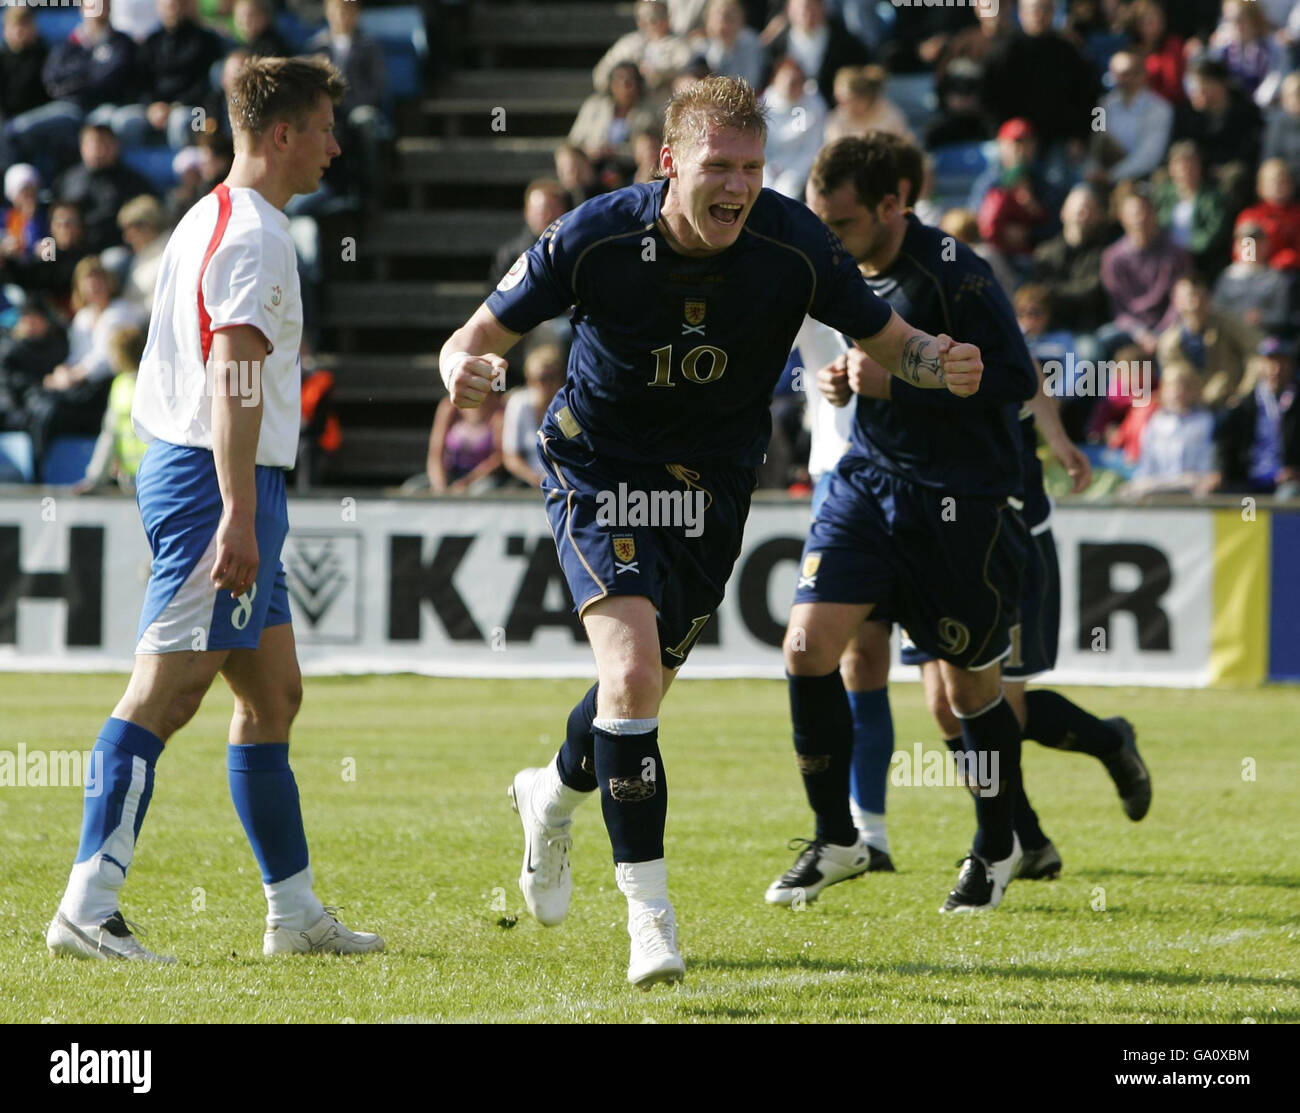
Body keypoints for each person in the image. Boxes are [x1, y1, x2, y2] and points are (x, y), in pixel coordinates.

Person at [438, 76, 985, 986]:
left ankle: (550, 792)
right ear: (668, 164)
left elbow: (891, 340)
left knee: (637, 690)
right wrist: (467, 370)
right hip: (599, 466)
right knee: (634, 671)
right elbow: (473, 336)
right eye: (717, 167)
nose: (736, 185)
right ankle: (650, 919)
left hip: (715, 487)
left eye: (752, 168)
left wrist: (940, 360)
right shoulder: (595, 233)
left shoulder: (794, 243)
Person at [45, 55, 383, 962]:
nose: (333, 146)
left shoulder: (212, 216)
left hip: (219, 475)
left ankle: (293, 911)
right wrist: (238, 509)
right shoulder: (256, 236)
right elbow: (235, 372)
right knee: (169, 690)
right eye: (322, 128)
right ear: (281, 135)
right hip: (215, 479)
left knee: (273, 693)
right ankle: (89, 901)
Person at [767, 134, 1144, 915]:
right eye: (821, 222)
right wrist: (848, 381)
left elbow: (1008, 376)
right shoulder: (840, 270)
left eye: (842, 223)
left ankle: (999, 843)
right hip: (866, 484)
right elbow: (872, 361)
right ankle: (838, 835)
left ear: (892, 206)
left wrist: (904, 385)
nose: (827, 238)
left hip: (961, 499)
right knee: (807, 647)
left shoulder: (956, 273)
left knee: (972, 693)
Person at [1211, 339, 1300, 497]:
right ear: (1259, 365)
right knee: (1219, 495)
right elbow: (1224, 443)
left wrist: (1295, 470)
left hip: (1285, 483)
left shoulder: (1296, 402)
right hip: (1248, 479)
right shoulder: (1242, 406)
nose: (1276, 370)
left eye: (1282, 363)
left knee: (1289, 495)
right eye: (1270, 363)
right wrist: (1219, 471)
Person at [1157, 274, 1258, 407]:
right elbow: (1171, 380)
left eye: (1199, 296)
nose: (1195, 302)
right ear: (1176, 301)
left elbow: (1255, 352)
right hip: (1188, 409)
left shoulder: (1228, 325)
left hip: (1228, 402)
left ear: (1208, 299)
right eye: (1189, 296)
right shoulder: (1168, 342)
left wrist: (1242, 393)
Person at [53, 123, 156, 254]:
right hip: (72, 250)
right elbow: (54, 219)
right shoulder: (67, 180)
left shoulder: (133, 182)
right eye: (94, 145)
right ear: (82, 147)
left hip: (114, 251)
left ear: (116, 146)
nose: (99, 151)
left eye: (105, 145)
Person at [1124, 361, 1218, 498]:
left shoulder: (1206, 421)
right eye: (1172, 387)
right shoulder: (1155, 422)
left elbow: (1208, 463)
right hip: (1158, 489)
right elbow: (1146, 466)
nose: (1177, 392)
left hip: (1192, 489)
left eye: (1184, 387)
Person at [73, 325, 150, 493]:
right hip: (131, 478)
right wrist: (95, 479)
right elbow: (110, 434)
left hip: (151, 475)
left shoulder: (151, 383)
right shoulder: (119, 384)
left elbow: (109, 435)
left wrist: (95, 479)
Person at [593, 0, 693, 106]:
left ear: (667, 18)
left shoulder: (679, 45)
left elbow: (684, 68)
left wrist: (656, 72)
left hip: (660, 102)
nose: (650, 24)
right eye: (643, 19)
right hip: (625, 106)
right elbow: (601, 74)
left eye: (655, 17)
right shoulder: (629, 43)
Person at [1153, 141, 1231, 274]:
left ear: (1199, 167)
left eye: (1191, 165)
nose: (1186, 171)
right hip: (1164, 258)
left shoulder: (1214, 198)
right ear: (1171, 169)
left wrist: (1185, 249)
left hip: (1201, 261)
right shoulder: (1162, 195)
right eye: (1181, 166)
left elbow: (1214, 233)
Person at [502, 343, 566, 487]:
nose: (547, 384)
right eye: (542, 378)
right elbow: (510, 457)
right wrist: (536, 479)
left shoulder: (566, 406)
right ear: (530, 380)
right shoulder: (518, 404)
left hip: (565, 482)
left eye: (552, 377)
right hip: (527, 483)